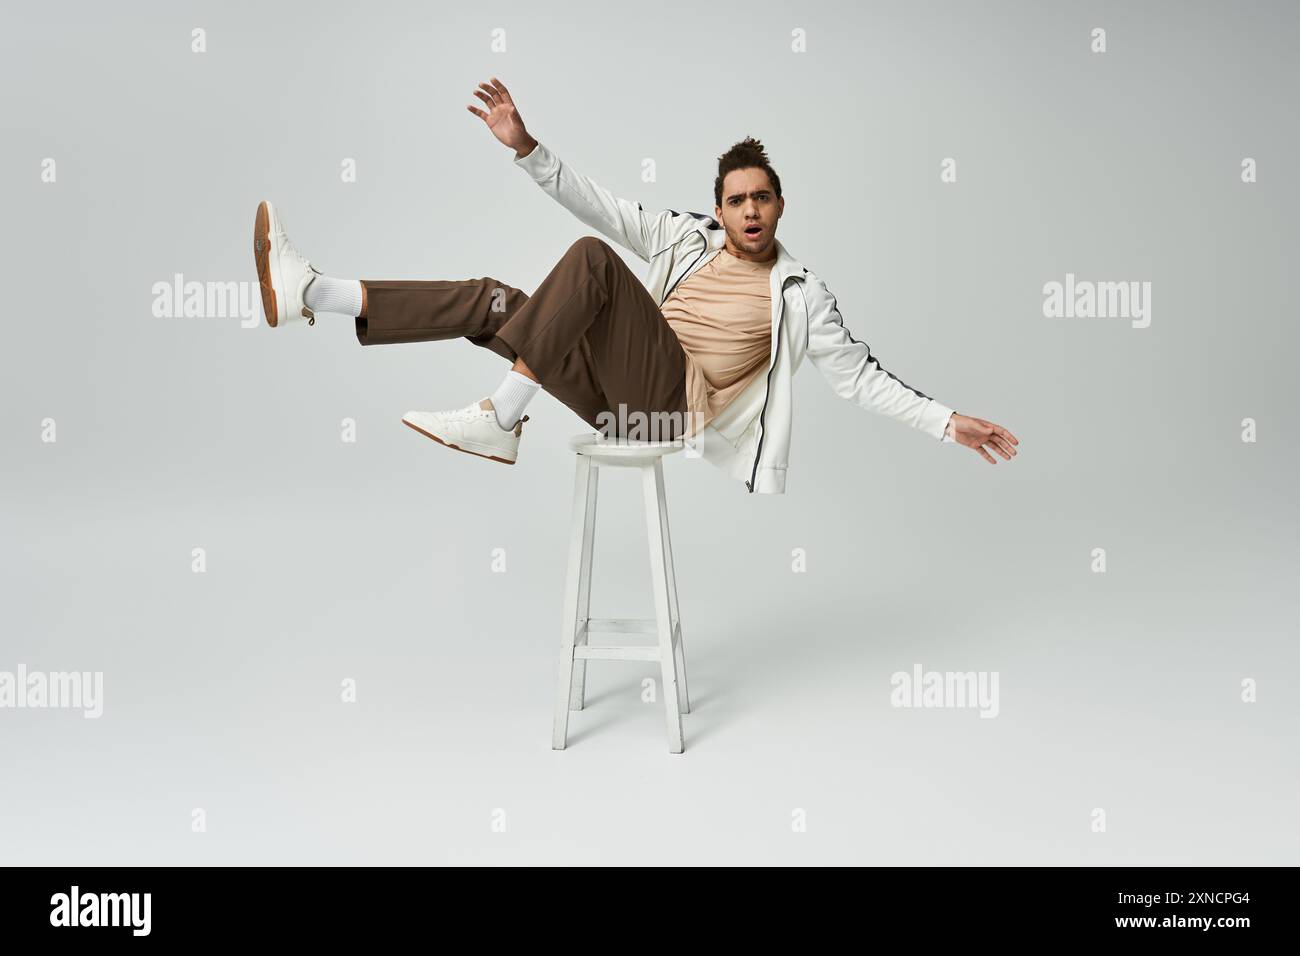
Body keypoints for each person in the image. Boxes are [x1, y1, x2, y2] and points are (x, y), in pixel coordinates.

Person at [253, 77, 1018, 490]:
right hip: (615, 382)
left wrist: (949, 422)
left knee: (590, 262)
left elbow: (863, 381)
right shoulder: (688, 235)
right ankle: (313, 293)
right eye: (737, 199)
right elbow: (602, 203)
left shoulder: (800, 294)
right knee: (493, 299)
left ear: (780, 205)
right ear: (720, 208)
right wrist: (527, 149)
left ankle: (501, 419)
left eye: (763, 198)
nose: (750, 211)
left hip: (667, 409)